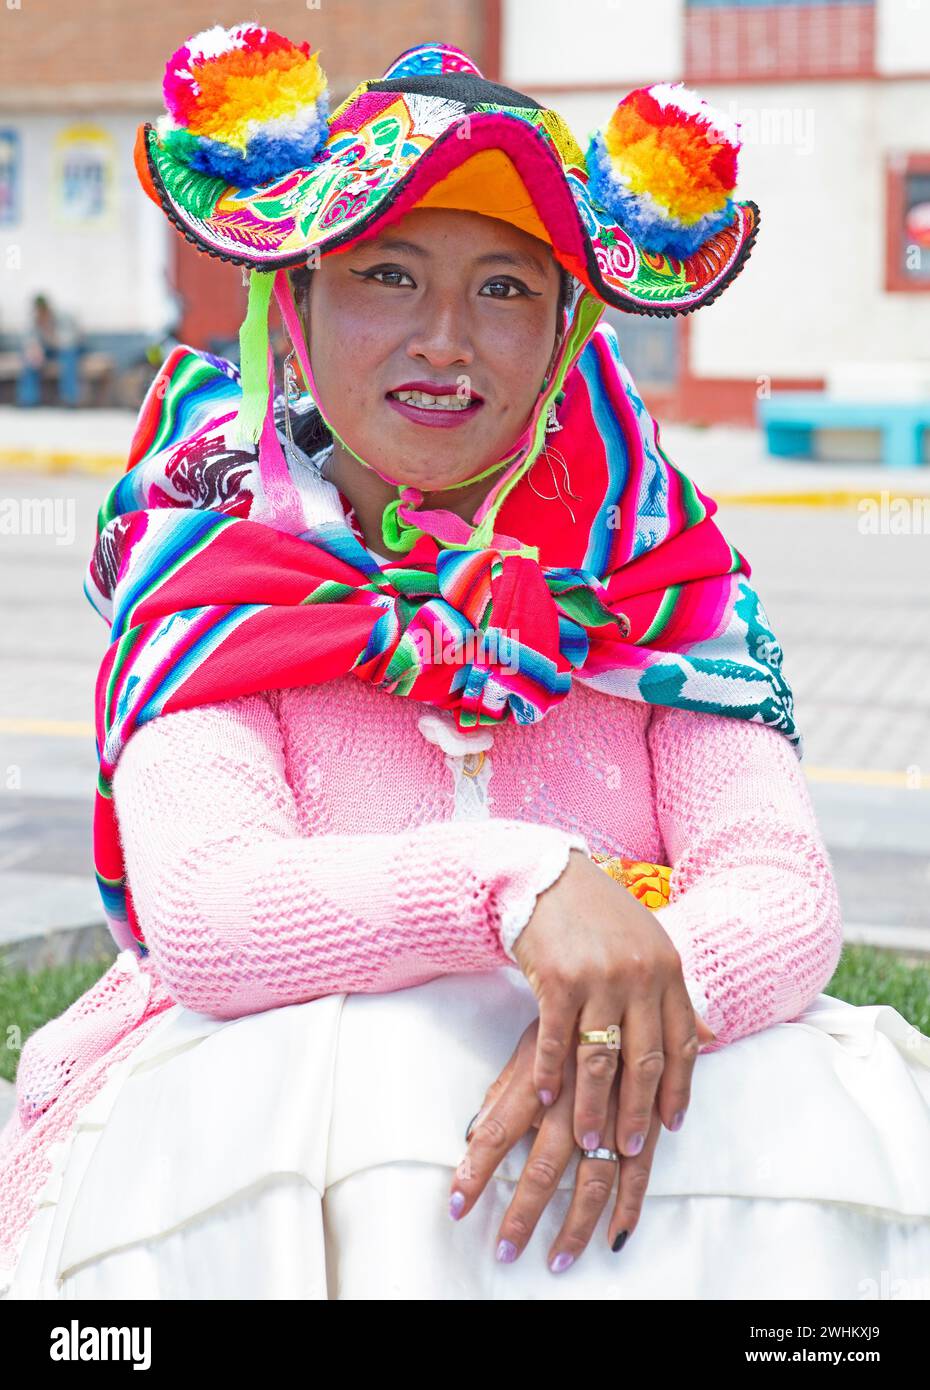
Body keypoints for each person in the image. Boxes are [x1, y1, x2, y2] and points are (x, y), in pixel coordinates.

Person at [2, 25, 929, 1301]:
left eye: (505, 288)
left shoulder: (655, 573)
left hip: (650, 1190)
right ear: (300, 298)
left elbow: (779, 888)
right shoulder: (217, 565)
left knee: (809, 1106)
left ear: (563, 330)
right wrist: (526, 885)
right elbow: (210, 917)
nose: (447, 338)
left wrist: (618, 1029)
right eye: (389, 273)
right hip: (302, 1164)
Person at [16, 293, 81, 408]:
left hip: (67, 350)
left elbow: (71, 341)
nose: (40, 313)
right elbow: (28, 339)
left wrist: (51, 335)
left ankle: (70, 398)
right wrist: (34, 348)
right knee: (30, 359)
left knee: (68, 358)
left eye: (43, 310)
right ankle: (28, 399)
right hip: (48, 351)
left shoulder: (63, 317)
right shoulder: (35, 320)